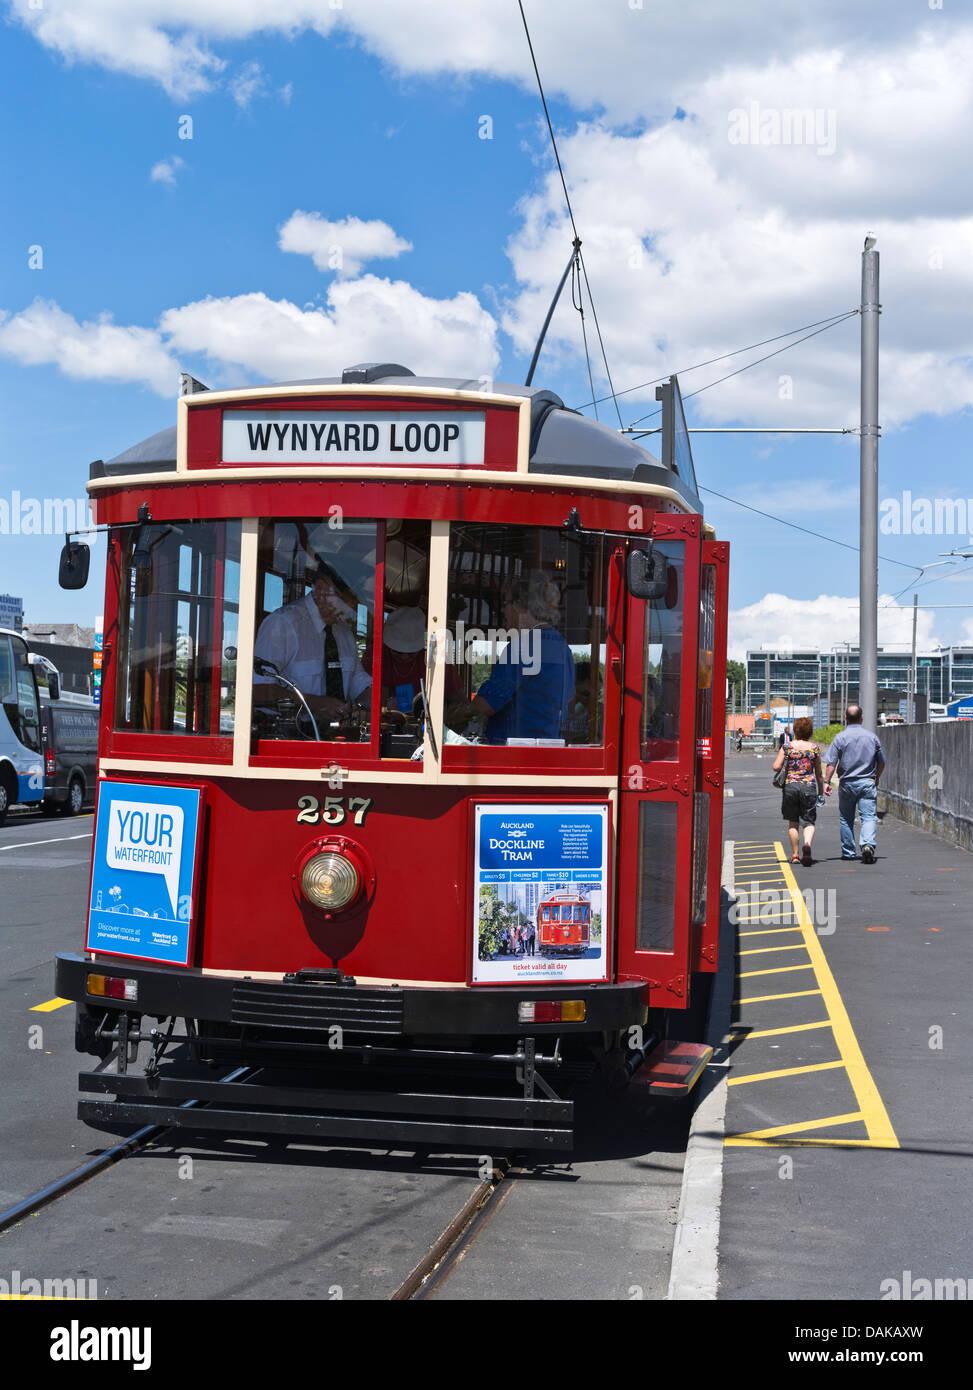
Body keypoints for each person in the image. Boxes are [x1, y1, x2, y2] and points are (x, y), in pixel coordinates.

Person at [254, 556, 371, 732]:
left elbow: (357, 681)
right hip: (287, 736)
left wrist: (375, 702)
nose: (349, 611)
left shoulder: (344, 633)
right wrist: (314, 704)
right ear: (321, 589)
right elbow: (257, 690)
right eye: (343, 601)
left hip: (336, 735)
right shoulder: (283, 624)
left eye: (354, 605)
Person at [463, 574, 575, 745]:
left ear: (521, 606)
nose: (502, 610)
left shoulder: (521, 647)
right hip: (550, 748)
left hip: (515, 752)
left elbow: (486, 705)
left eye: (505, 603)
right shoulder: (562, 648)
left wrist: (459, 711)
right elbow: (569, 701)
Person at [824, 705, 886, 863]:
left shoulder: (840, 738)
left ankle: (848, 852)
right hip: (867, 782)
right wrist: (876, 777)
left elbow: (831, 763)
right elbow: (882, 762)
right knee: (868, 817)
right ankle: (867, 845)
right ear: (861, 717)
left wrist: (826, 782)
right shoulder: (872, 737)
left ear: (845, 718)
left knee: (846, 818)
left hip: (847, 783)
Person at [772, 716, 824, 866]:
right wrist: (821, 792)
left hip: (790, 786)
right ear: (810, 732)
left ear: (795, 730)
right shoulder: (814, 748)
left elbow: (776, 767)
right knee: (808, 821)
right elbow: (819, 774)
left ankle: (795, 855)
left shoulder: (787, 747)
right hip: (808, 787)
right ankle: (807, 843)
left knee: (793, 822)